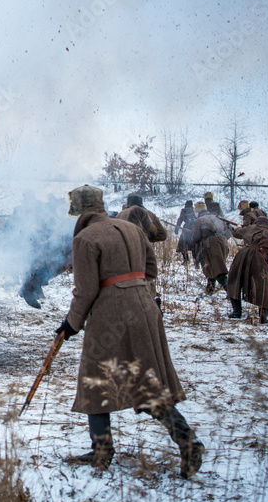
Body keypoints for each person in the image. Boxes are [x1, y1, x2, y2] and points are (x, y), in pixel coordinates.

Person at [58, 185, 202, 478]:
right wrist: (132, 287)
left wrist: (70, 325)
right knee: (146, 381)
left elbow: (85, 291)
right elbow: (151, 270)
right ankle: (187, 440)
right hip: (145, 308)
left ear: (79, 211)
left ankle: (101, 453)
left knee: (96, 378)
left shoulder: (85, 238)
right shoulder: (131, 228)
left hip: (112, 313)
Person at [228, 216, 268, 323]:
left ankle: (237, 312)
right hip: (260, 257)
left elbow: (236, 233)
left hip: (243, 255)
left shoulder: (251, 228)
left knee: (235, 280)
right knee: (262, 285)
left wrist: (239, 227)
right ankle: (262, 315)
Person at [190, 201, 230, 295]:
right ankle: (210, 289)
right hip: (223, 244)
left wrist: (206, 237)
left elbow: (195, 239)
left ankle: (231, 293)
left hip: (211, 246)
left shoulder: (198, 221)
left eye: (195, 212)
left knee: (219, 271)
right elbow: (228, 234)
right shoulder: (217, 217)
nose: (195, 214)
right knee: (213, 267)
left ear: (198, 212)